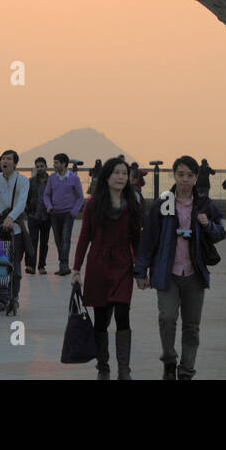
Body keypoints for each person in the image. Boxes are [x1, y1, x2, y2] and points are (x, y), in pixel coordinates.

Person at [135, 156, 225, 381]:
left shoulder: (204, 203)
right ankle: (169, 361)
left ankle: (186, 370)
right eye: (180, 174)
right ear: (174, 176)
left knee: (192, 327)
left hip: (194, 274)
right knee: (166, 318)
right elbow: (148, 239)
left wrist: (208, 225)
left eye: (190, 175)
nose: (185, 180)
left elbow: (220, 233)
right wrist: (141, 271)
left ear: (196, 177)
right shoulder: (163, 203)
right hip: (167, 272)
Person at [74, 158, 142, 380]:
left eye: (125, 173)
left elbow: (137, 239)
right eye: (117, 173)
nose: (121, 177)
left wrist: (142, 269)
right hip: (99, 266)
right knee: (101, 320)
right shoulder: (94, 204)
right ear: (107, 176)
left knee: (123, 315)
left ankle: (124, 370)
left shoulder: (132, 203)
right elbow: (85, 236)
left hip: (123, 266)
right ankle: (103, 368)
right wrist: (76, 269)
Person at [0, 149, 30, 311]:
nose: (5, 161)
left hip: (15, 228)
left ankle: (13, 296)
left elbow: (22, 202)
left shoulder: (23, 180)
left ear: (15, 163)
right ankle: (1, 298)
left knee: (14, 264)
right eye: (3, 158)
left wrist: (11, 217)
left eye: (9, 159)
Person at [43, 153, 85, 276]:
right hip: (55, 214)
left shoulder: (73, 178)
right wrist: (49, 206)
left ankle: (64, 265)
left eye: (56, 162)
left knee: (66, 239)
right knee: (58, 240)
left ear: (64, 164)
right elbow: (47, 194)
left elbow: (80, 197)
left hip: (68, 214)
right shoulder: (52, 178)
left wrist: (74, 211)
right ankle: (63, 264)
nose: (54, 165)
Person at [25, 157, 52, 275]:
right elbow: (25, 197)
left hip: (47, 216)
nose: (40, 168)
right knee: (32, 241)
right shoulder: (30, 181)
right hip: (33, 215)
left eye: (42, 166)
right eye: (37, 166)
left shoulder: (51, 181)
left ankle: (42, 266)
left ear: (46, 167)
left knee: (44, 243)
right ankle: (31, 266)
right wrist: (27, 210)